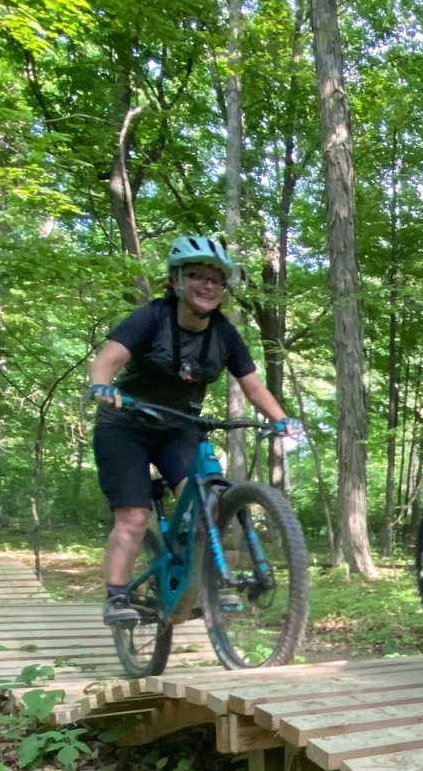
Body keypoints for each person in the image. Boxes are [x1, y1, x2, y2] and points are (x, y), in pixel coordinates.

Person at [86, 235, 297, 626]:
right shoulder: (151, 318)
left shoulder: (225, 334)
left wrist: (280, 419)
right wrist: (103, 386)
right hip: (125, 426)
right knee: (132, 517)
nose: (208, 285)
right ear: (176, 282)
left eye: (216, 280)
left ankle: (204, 583)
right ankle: (117, 597)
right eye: (196, 276)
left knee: (207, 505)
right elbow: (106, 361)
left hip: (179, 428)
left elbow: (253, 386)